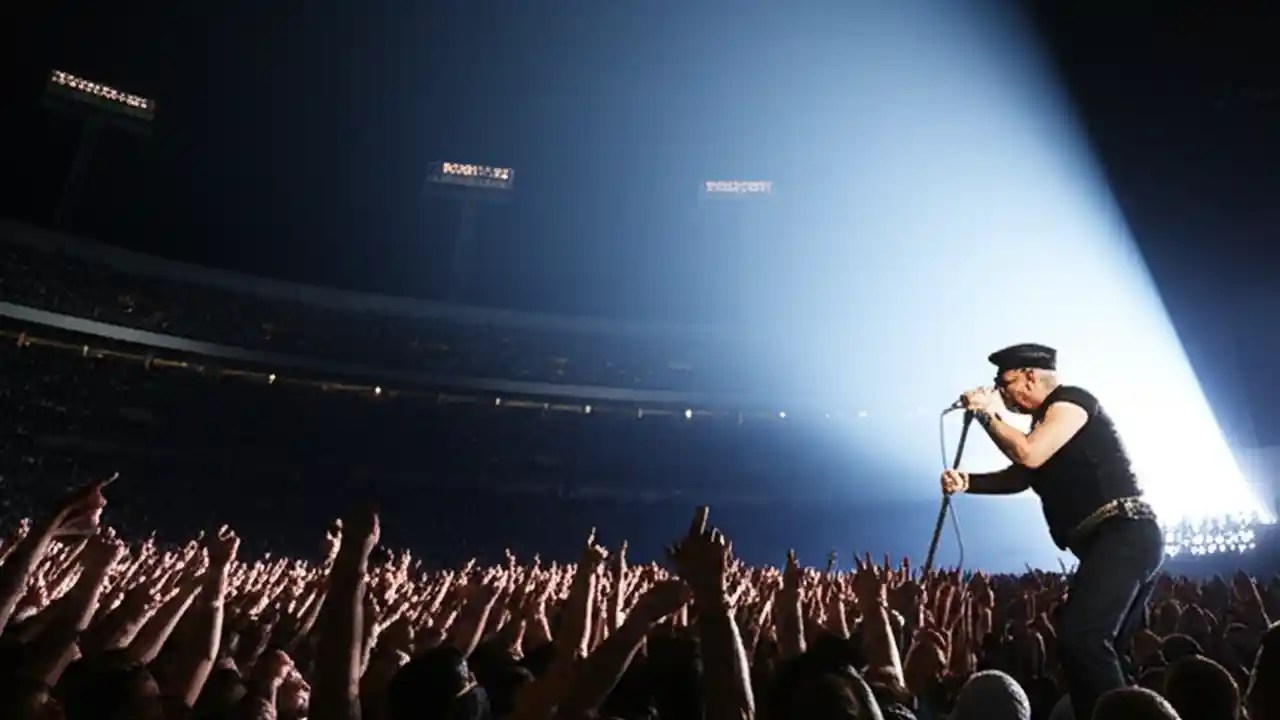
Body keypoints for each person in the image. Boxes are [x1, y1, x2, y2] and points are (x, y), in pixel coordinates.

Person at [939, 343, 1165, 720]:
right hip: (1110, 542)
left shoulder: (1070, 402)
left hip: (1125, 533)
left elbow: (1028, 453)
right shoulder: (1043, 426)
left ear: (1030, 375)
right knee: (1104, 648)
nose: (1001, 392)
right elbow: (1021, 475)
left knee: (1083, 639)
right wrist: (967, 481)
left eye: (1005, 382)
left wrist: (985, 415)